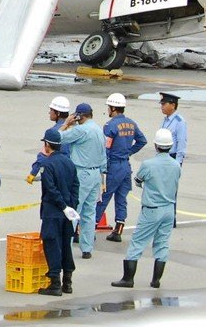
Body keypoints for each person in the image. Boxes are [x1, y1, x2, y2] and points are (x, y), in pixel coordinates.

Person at [112, 129, 182, 289]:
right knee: (162, 243)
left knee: (137, 242)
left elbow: (138, 180)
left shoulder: (148, 164)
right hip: (169, 209)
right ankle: (156, 280)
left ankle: (128, 279)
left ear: (156, 145)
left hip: (152, 208)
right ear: (170, 146)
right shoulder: (176, 165)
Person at [97, 93, 146, 242]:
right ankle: (118, 230)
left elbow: (106, 148)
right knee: (121, 198)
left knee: (102, 198)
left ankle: (89, 228)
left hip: (113, 166)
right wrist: (128, 152)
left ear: (113, 108)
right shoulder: (131, 123)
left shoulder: (110, 125)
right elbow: (142, 141)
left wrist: (102, 167)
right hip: (125, 166)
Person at [37, 128, 79, 296]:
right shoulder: (69, 162)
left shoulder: (47, 164)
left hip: (53, 212)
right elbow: (76, 185)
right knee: (65, 245)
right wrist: (71, 205)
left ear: (47, 145)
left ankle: (55, 282)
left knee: (52, 245)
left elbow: (51, 189)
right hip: (67, 212)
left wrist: (62, 206)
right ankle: (67, 282)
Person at [61, 102, 107, 259]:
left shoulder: (81, 130)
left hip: (82, 174)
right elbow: (103, 155)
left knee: (74, 210)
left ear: (79, 116)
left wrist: (66, 124)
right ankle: (87, 248)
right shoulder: (99, 130)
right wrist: (102, 179)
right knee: (89, 212)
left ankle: (66, 246)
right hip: (96, 174)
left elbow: (57, 138)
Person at [27, 97, 70, 183]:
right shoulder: (76, 129)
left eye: (51, 110)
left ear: (57, 113)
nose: (49, 112)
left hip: (57, 172)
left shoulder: (53, 132)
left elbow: (44, 155)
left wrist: (33, 173)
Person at [160, 93, 187, 166]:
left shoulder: (179, 122)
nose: (162, 107)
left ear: (173, 105)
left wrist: (178, 162)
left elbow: (181, 142)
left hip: (172, 158)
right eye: (161, 104)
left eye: (164, 104)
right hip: (161, 157)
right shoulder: (165, 120)